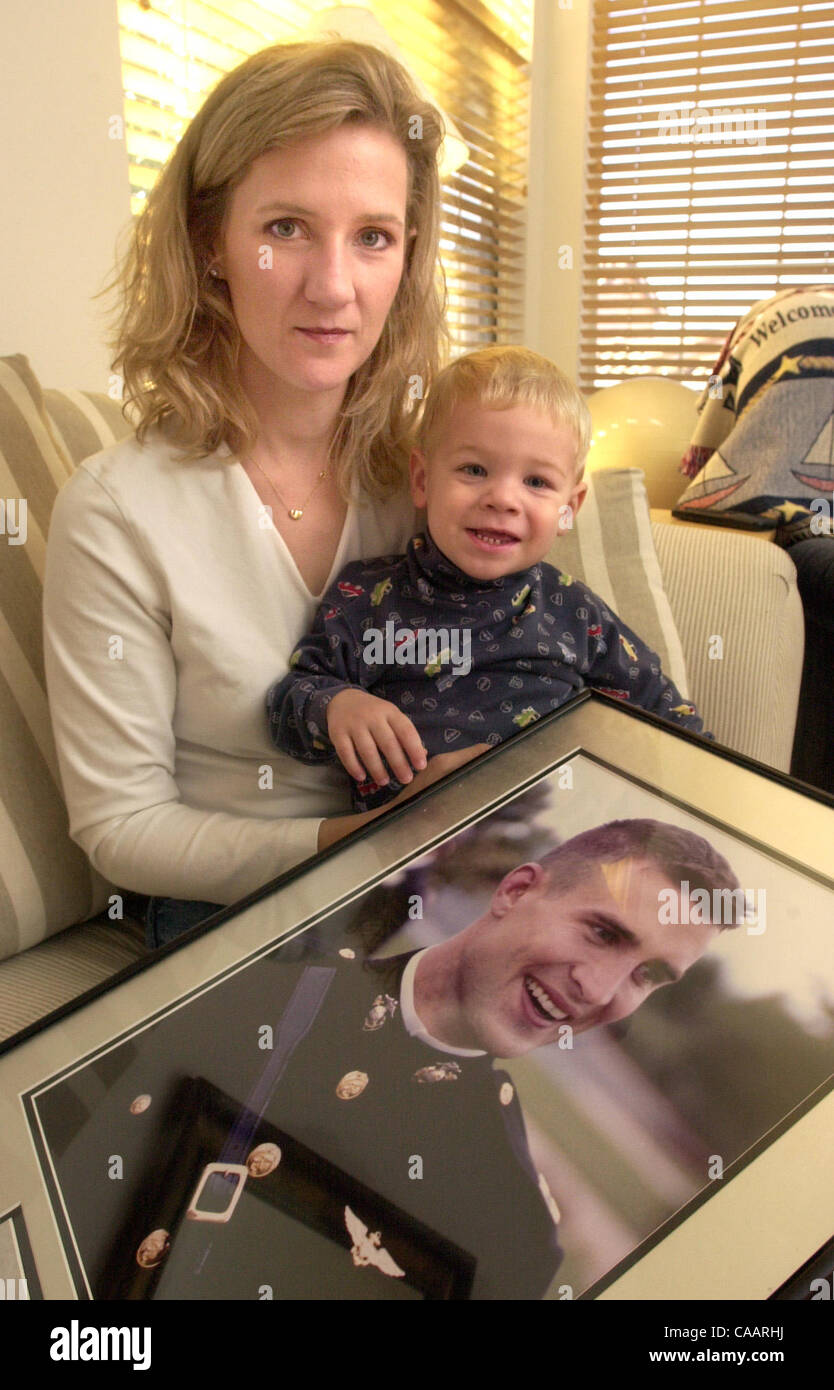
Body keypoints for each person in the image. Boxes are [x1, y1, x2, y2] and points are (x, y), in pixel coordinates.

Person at [41, 40, 480, 949]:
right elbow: (122, 831)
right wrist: (348, 847)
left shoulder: (429, 484)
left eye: (373, 237)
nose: (334, 287)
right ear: (212, 244)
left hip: (434, 889)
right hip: (233, 919)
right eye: (285, 227)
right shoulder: (118, 511)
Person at [36, 819, 741, 1301]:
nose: (600, 989)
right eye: (601, 931)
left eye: (648, 977)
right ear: (517, 890)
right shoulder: (243, 985)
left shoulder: (515, 1231)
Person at [267, 346, 708, 809]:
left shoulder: (571, 610)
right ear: (421, 479)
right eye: (474, 470)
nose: (502, 498)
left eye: (536, 482)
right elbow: (289, 707)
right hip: (415, 848)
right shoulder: (370, 598)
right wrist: (338, 705)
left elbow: (668, 715)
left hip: (563, 835)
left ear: (568, 510)